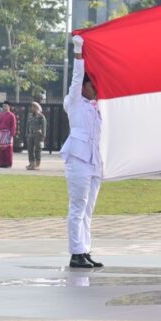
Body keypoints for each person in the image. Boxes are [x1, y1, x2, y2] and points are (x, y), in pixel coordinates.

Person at [61, 35, 104, 269]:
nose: (94, 89)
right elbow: (78, 77)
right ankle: (75, 253)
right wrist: (79, 51)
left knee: (88, 209)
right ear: (83, 87)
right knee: (78, 206)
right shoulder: (74, 101)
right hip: (78, 158)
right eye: (92, 85)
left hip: (95, 161)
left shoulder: (96, 107)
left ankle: (84, 250)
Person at [25, 102, 47, 170]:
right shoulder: (30, 115)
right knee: (30, 149)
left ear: (38, 108)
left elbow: (43, 127)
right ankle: (31, 164)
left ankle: (37, 165)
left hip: (38, 134)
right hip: (30, 134)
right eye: (32, 107)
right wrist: (27, 134)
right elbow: (27, 126)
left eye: (34, 107)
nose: (32, 108)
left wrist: (43, 136)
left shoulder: (41, 117)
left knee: (37, 150)